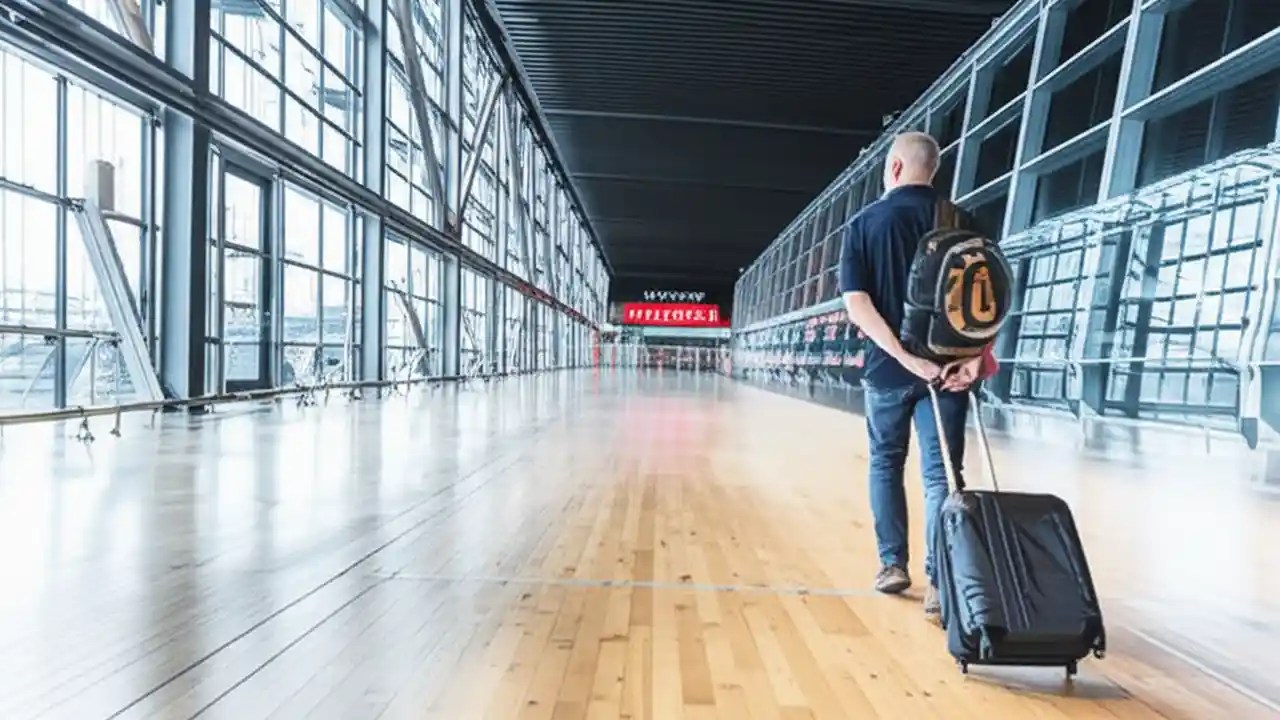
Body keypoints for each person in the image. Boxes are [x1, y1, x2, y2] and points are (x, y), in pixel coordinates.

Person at [837, 131, 985, 621]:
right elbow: (990, 302)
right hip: (950, 370)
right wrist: (975, 357)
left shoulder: (863, 224)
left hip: (887, 370)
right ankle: (941, 582)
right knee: (942, 473)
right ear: (933, 170)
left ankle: (891, 565)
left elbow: (858, 305)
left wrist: (903, 357)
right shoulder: (963, 222)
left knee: (885, 462)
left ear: (895, 169)